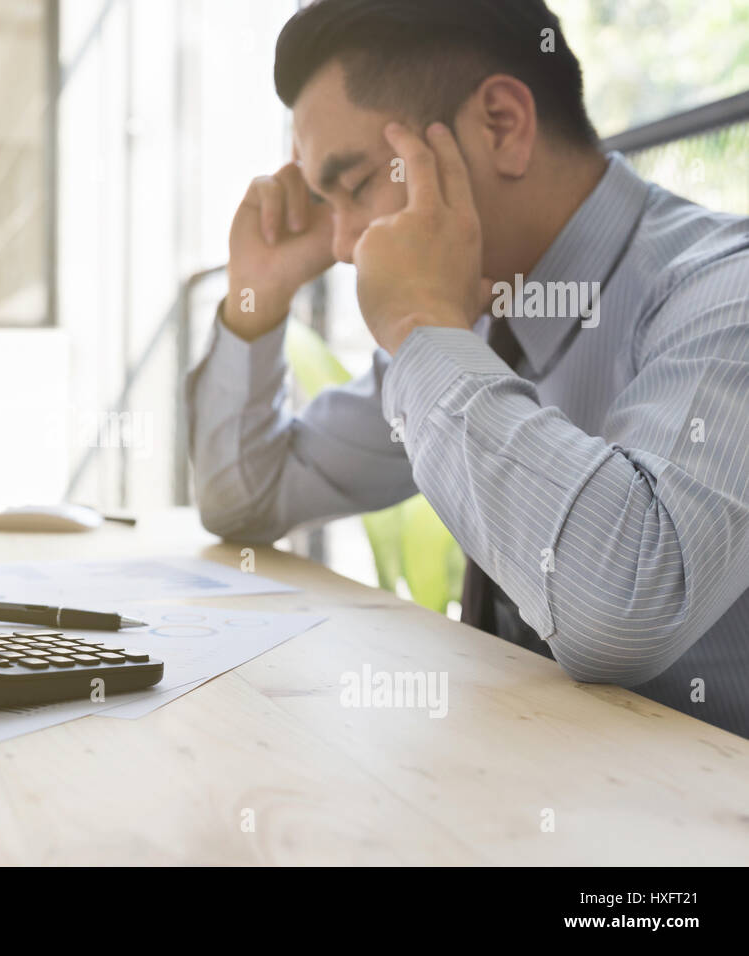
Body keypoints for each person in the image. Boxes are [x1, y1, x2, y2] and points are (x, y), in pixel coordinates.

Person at [187, 0, 749, 736]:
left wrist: (422, 327)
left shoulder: (722, 292)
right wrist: (254, 301)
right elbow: (244, 499)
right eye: (325, 206)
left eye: (355, 186)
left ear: (502, 126)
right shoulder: (473, 319)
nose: (346, 244)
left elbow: (622, 608)